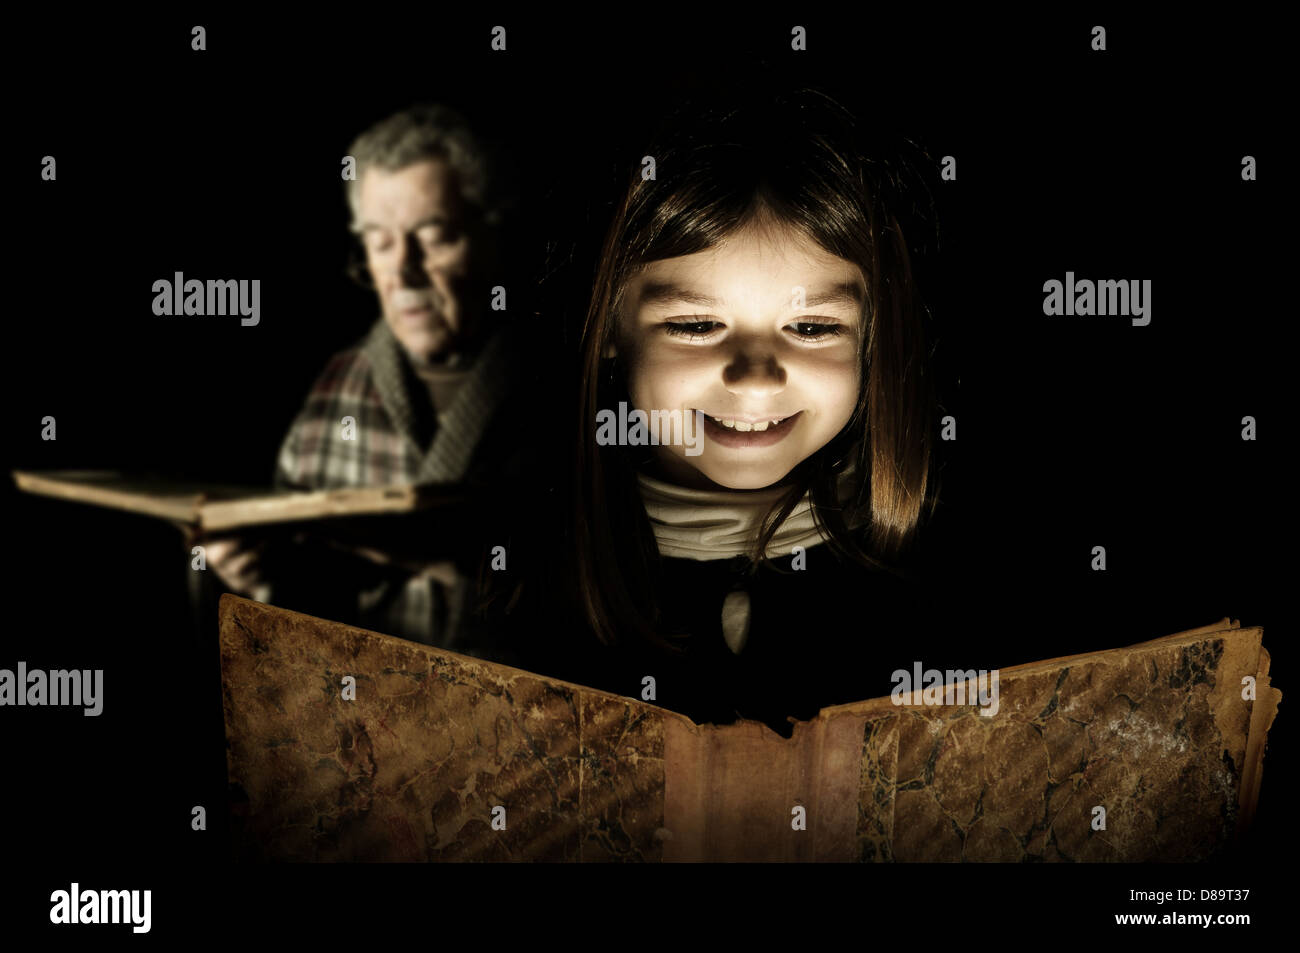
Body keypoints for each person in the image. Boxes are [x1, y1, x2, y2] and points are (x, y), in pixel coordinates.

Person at [501, 87, 956, 734]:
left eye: (811, 327)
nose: (755, 376)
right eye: (694, 324)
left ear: (872, 333)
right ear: (607, 326)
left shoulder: (941, 582)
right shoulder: (520, 579)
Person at [204, 104, 522, 652]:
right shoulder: (339, 385)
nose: (402, 270)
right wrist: (254, 572)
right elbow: (297, 593)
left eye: (435, 235)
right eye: (379, 242)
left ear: (494, 235)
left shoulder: (567, 385)